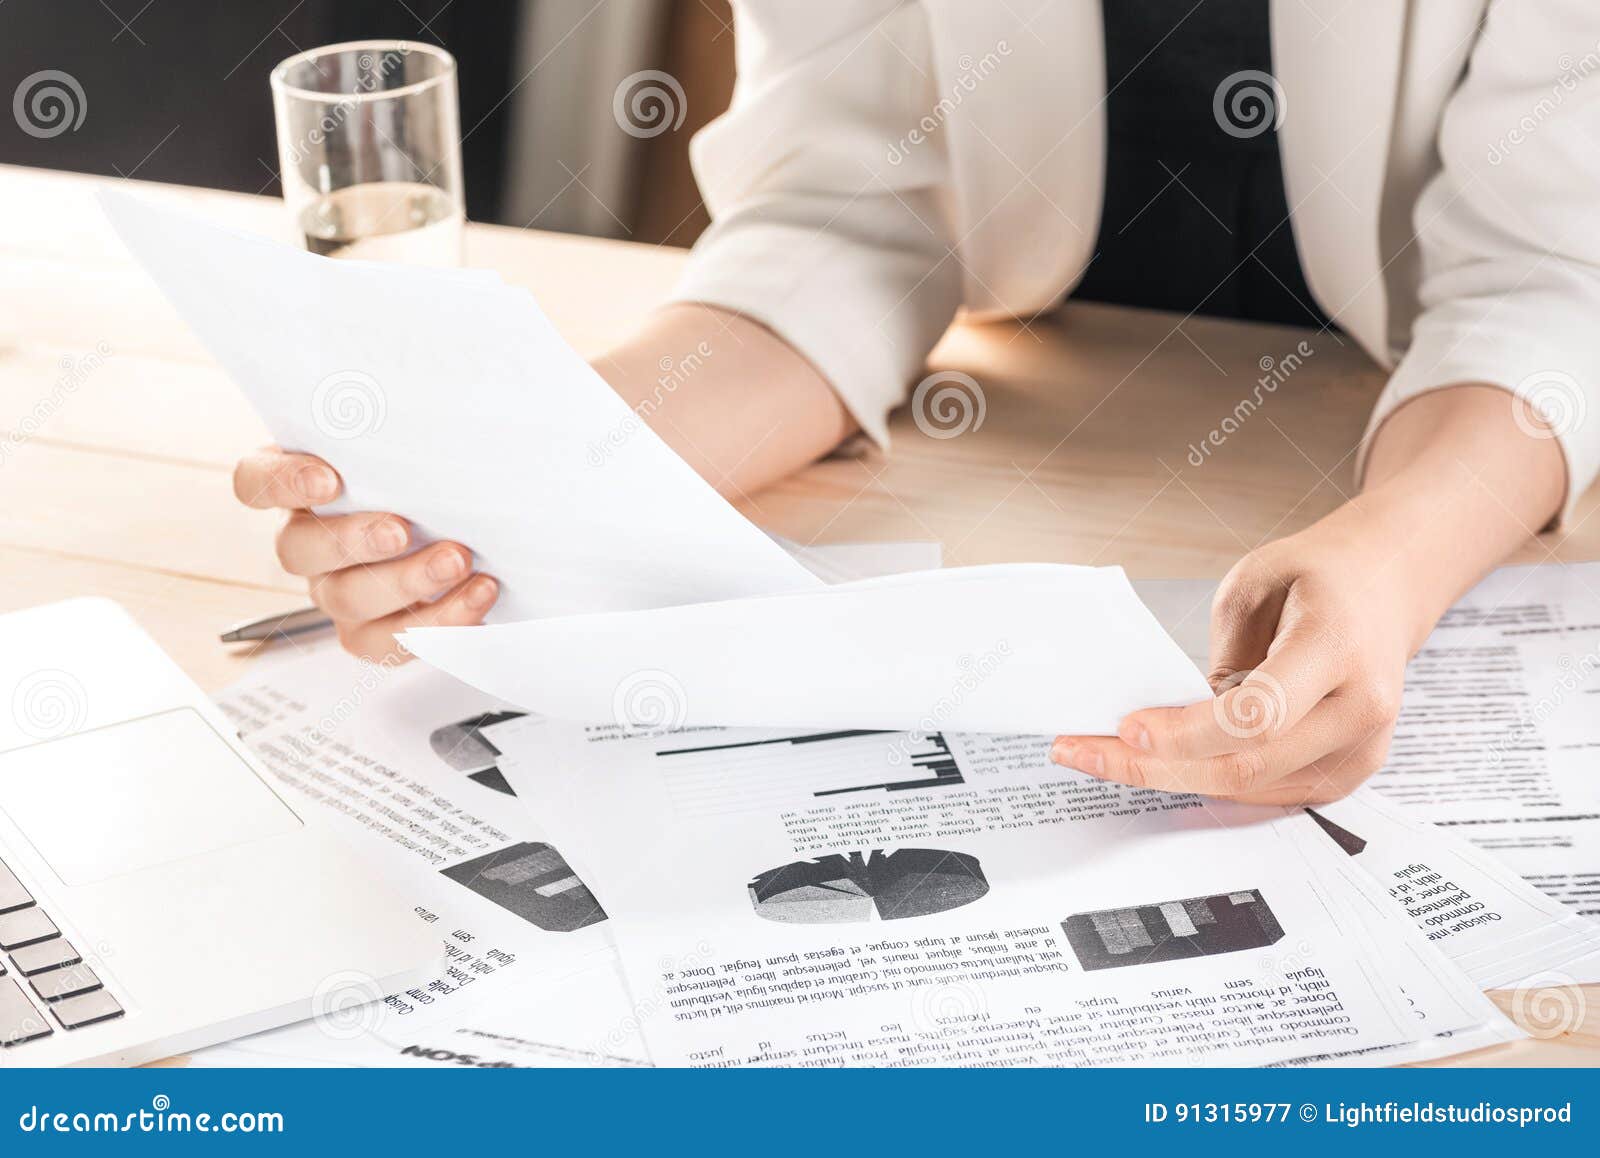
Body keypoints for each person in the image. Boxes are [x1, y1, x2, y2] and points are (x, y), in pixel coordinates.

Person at [230, 2, 1597, 807]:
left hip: (1435, 421)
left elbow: (1552, 275)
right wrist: (535, 469)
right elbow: (844, 211)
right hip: (1055, 419)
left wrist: (1390, 566)